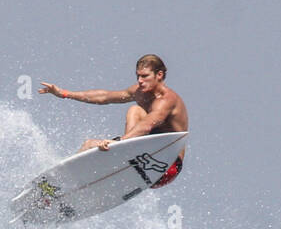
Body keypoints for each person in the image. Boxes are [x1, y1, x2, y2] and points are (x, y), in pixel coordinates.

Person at [38, 54, 187, 188]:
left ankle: (123, 148)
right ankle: (59, 186)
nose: (140, 81)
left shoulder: (166, 100)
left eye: (145, 76)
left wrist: (120, 142)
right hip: (142, 156)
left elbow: (148, 125)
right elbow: (104, 96)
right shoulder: (139, 92)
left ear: (159, 75)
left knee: (92, 143)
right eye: (138, 76)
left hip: (166, 166)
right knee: (133, 112)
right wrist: (65, 93)